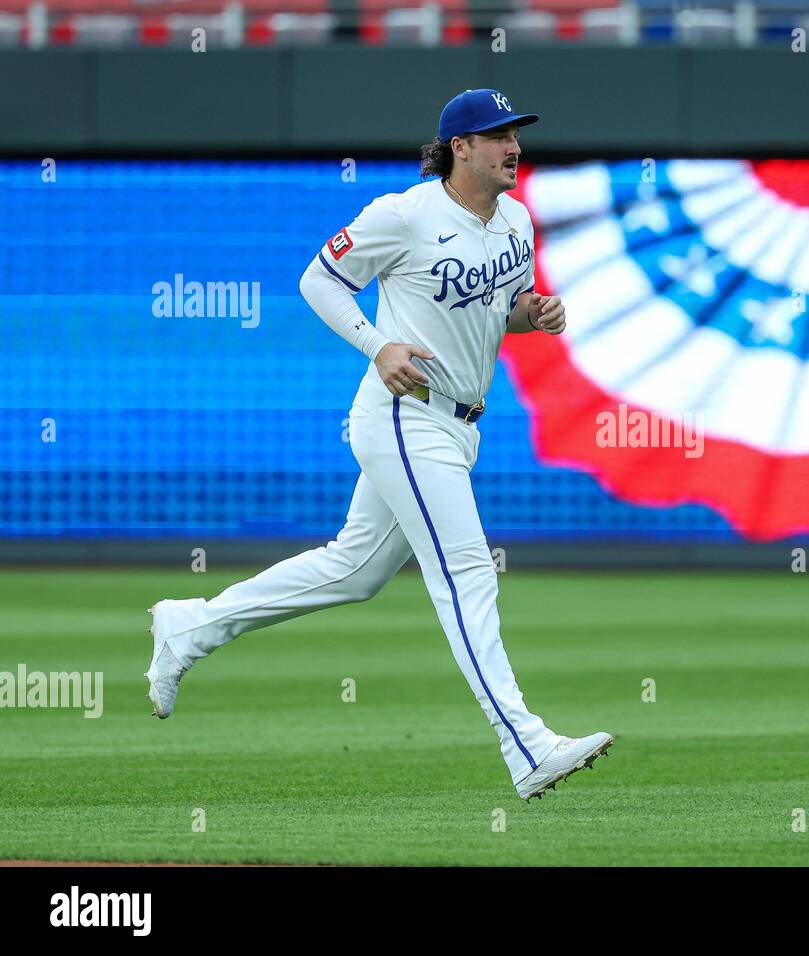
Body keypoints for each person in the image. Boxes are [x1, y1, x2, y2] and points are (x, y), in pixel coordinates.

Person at [144, 89, 613, 802]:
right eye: (496, 135)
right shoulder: (405, 214)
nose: (512, 146)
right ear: (459, 147)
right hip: (404, 414)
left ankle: (191, 626)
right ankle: (526, 746)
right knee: (466, 574)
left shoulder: (515, 218)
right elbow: (318, 279)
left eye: (515, 133)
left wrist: (534, 313)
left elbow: (502, 311)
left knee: (353, 571)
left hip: (459, 424)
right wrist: (376, 345)